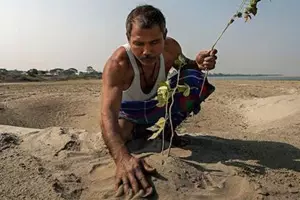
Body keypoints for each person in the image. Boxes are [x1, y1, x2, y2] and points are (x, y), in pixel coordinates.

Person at [100, 4, 218, 198]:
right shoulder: (118, 64)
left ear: (165, 35)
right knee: (119, 135)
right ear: (128, 38)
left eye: (155, 42)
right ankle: (143, 130)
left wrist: (197, 63)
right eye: (139, 44)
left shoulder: (171, 49)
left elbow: (185, 66)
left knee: (194, 78)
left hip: (158, 104)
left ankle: (167, 130)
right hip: (129, 111)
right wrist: (122, 160)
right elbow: (107, 113)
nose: (147, 51)